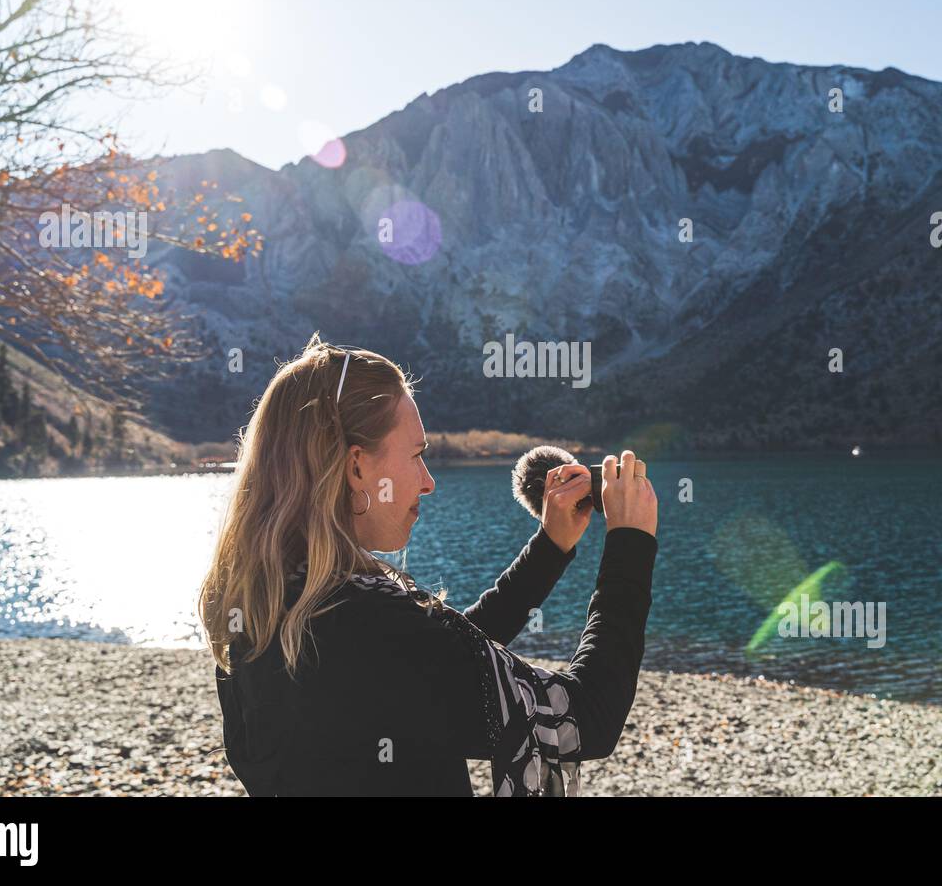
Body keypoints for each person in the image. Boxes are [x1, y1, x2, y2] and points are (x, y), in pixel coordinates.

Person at [199, 335, 658, 795]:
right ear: (356, 466)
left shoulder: (258, 603)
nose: (428, 482)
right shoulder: (369, 620)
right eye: (417, 456)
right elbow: (583, 718)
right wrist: (630, 545)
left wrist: (551, 546)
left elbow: (444, 660)